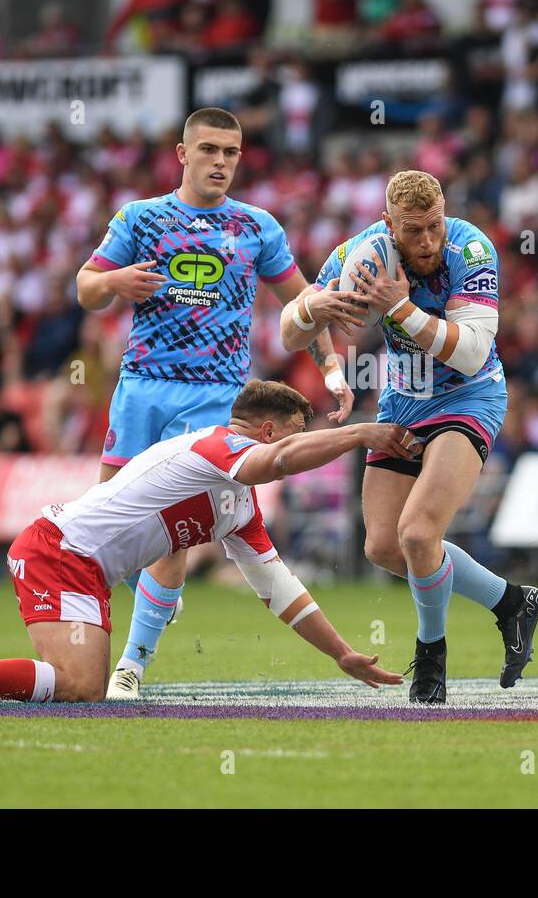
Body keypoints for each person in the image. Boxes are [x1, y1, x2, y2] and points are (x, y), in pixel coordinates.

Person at [75, 107, 366, 699]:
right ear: (182, 154)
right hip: (140, 388)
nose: (221, 162)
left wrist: (333, 367)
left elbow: (304, 306)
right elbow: (85, 287)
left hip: (214, 399)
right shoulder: (141, 218)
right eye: (208, 150)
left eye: (231, 153)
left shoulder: (257, 227)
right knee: (107, 523)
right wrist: (115, 283)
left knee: (175, 534)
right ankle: (156, 603)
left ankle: (130, 665)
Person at [0, 381, 412, 703]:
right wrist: (361, 434)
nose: (301, 447)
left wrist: (341, 653)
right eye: (298, 432)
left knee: (78, 685)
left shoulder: (239, 504)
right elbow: (279, 461)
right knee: (80, 686)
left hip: (83, 568)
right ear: (269, 431)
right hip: (57, 552)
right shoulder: (215, 445)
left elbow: (281, 590)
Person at [281, 170, 538, 704]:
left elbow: (471, 352)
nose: (427, 242)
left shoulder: (471, 250)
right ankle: (511, 602)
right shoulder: (359, 253)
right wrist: (316, 311)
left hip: (468, 398)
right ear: (388, 225)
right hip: (403, 401)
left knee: (419, 535)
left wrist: (400, 307)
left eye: (434, 227)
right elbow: (292, 332)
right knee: (382, 546)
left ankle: (431, 660)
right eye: (413, 231)